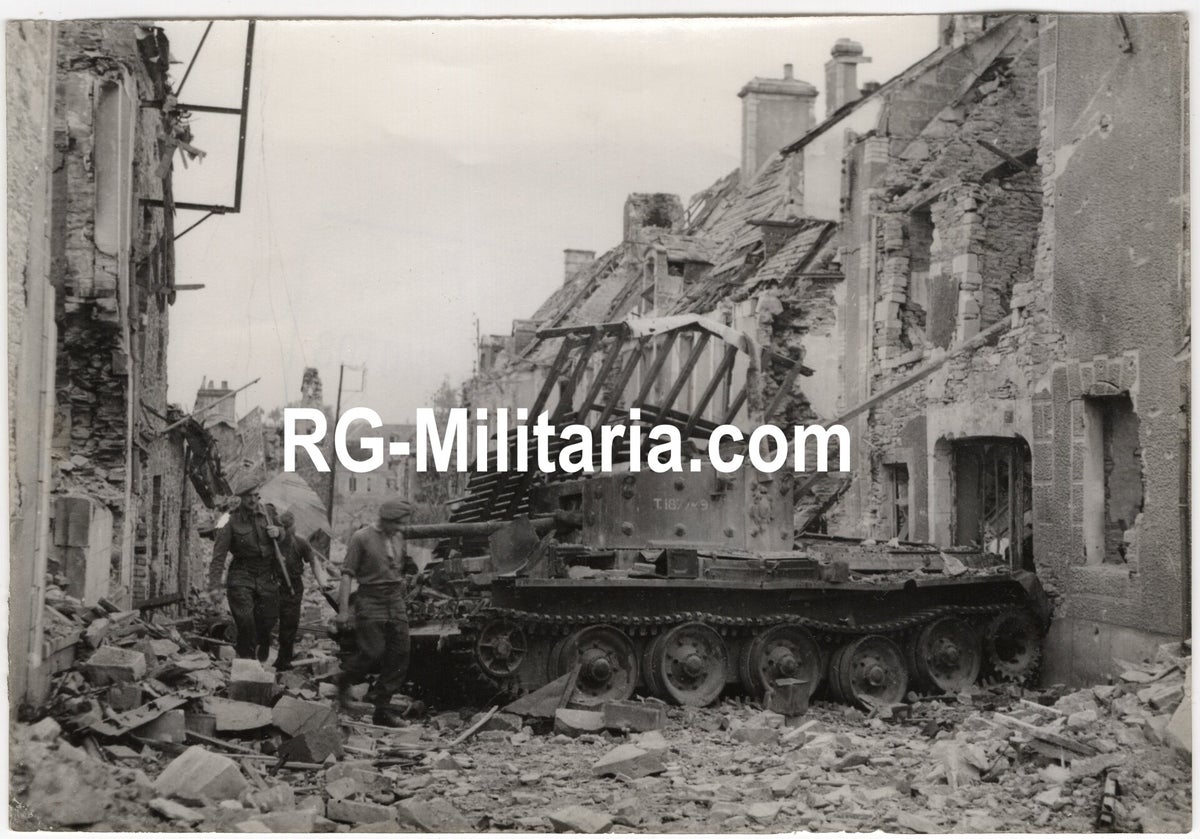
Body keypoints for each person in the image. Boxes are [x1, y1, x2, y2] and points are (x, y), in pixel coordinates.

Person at [334, 498, 420, 726]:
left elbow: (400, 567)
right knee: (373, 652)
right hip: (370, 599)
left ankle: (382, 707)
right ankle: (344, 680)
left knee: (401, 652)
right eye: (398, 523)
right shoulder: (361, 538)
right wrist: (344, 611)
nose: (401, 528)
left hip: (395, 600)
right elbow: (347, 575)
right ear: (385, 520)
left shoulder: (398, 537)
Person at [208, 478, 282, 662]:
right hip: (242, 574)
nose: (253, 500)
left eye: (255, 495)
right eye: (248, 496)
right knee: (245, 620)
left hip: (267, 574)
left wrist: (279, 533)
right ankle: (246, 661)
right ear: (240, 498)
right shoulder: (229, 520)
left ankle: (260, 648)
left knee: (268, 619)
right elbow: (219, 555)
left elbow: (284, 534)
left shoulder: (269, 513)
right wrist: (215, 585)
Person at [273, 510, 329, 671]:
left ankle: (283, 661)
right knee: (267, 620)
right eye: (285, 527)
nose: (290, 530)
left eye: (291, 526)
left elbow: (313, 562)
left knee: (289, 624)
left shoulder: (301, 543)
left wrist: (322, 582)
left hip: (293, 587)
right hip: (274, 585)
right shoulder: (272, 543)